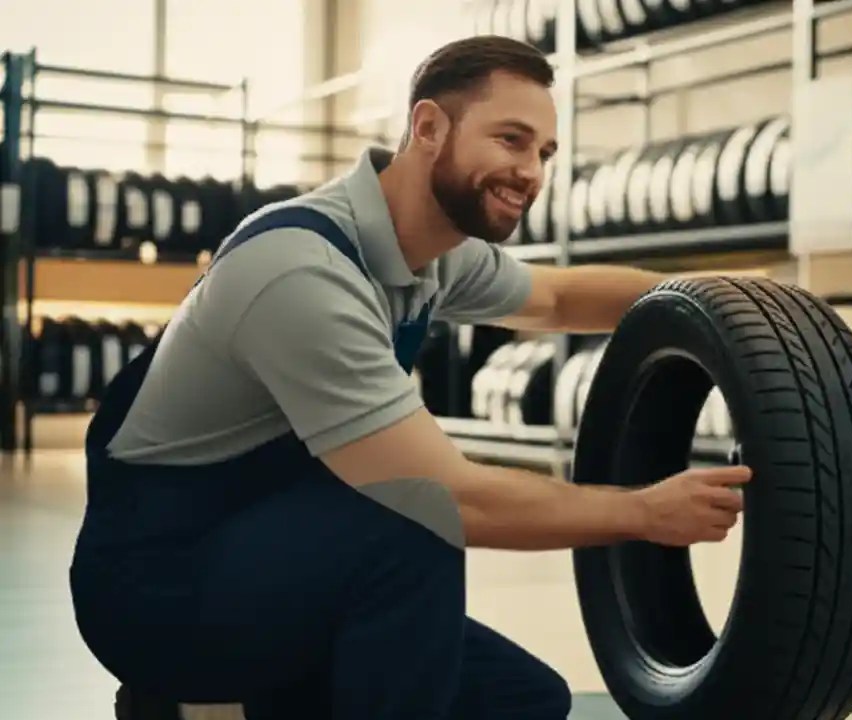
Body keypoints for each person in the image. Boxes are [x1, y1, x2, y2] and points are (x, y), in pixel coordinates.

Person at [69, 35, 751, 720]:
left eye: (544, 153)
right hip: (158, 590)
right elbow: (456, 500)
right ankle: (198, 684)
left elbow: (558, 299)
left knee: (523, 702)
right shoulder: (300, 273)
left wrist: (735, 304)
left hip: (269, 561)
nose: (532, 172)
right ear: (428, 126)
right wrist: (643, 512)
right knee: (412, 519)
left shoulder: (430, 253)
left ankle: (205, 710)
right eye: (511, 140)